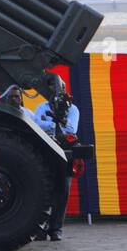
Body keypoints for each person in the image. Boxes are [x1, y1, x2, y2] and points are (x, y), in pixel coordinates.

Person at [31, 73, 80, 241]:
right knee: (44, 188)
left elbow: (71, 130)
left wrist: (49, 124)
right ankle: (40, 227)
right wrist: (57, 123)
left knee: (63, 190)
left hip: (64, 152)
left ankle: (55, 228)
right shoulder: (41, 107)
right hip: (45, 151)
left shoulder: (72, 109)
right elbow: (37, 125)